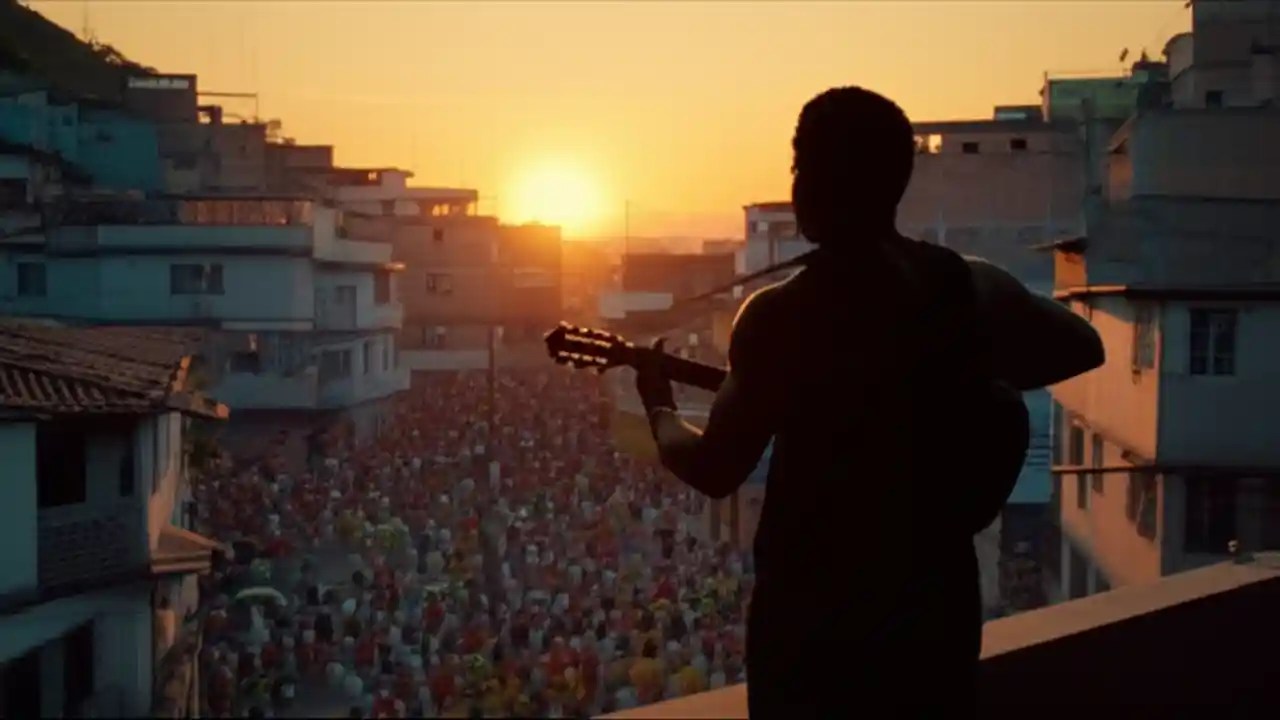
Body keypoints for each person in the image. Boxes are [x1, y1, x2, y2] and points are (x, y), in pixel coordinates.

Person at [634, 86, 1104, 716]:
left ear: (811, 181)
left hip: (813, 636)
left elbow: (715, 468)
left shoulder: (778, 316)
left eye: (801, 166)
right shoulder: (968, 286)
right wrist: (977, 384)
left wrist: (660, 407)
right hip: (932, 622)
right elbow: (1078, 346)